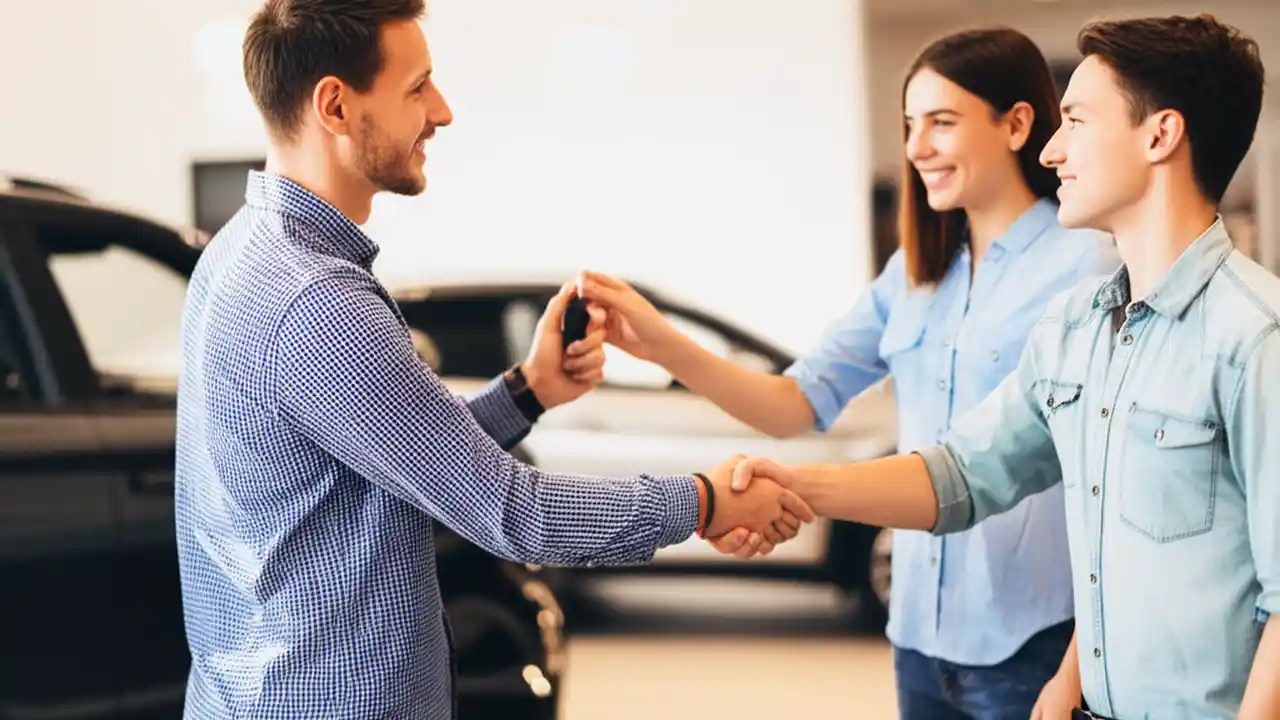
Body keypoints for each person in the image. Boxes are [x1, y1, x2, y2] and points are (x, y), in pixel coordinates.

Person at [173, 1, 811, 717]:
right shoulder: (319, 302)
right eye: (416, 88)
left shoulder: (239, 252)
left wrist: (529, 391)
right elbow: (512, 512)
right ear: (336, 105)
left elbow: (405, 460)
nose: (441, 112)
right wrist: (704, 501)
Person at [722, 14, 1278, 720]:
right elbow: (964, 475)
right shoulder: (1075, 328)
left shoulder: (1256, 338)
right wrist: (797, 486)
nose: (1051, 151)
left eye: (1075, 120)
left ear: (1159, 135)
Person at [579, 27, 1117, 720]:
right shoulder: (916, 275)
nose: (917, 146)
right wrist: (659, 344)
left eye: (942, 123)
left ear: (1016, 124)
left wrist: (1077, 667)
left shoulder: (1088, 265)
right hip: (918, 635)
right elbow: (793, 404)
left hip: (1033, 642)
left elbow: (1105, 482)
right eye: (909, 125)